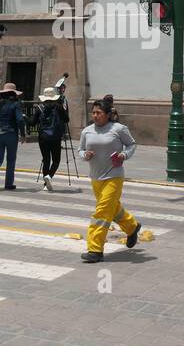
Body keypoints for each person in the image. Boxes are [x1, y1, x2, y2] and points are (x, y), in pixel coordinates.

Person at [78, 98, 142, 263]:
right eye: (93, 112)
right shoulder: (87, 131)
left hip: (114, 176)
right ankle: (132, 227)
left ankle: (95, 249)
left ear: (107, 114)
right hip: (95, 177)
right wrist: (85, 155)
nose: (95, 115)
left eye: (99, 113)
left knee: (101, 212)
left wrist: (124, 155)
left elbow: (131, 145)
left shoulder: (118, 129)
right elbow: (81, 150)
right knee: (112, 209)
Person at [0, 82, 25, 191]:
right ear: (14, 93)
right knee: (11, 159)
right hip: (11, 134)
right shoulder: (16, 104)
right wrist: (23, 134)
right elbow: (20, 120)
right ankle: (8, 184)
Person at [31, 86, 69, 190]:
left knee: (46, 160)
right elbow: (67, 119)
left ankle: (45, 181)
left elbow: (32, 122)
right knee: (56, 160)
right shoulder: (58, 106)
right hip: (55, 137)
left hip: (43, 137)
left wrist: (25, 118)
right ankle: (48, 177)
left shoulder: (39, 108)